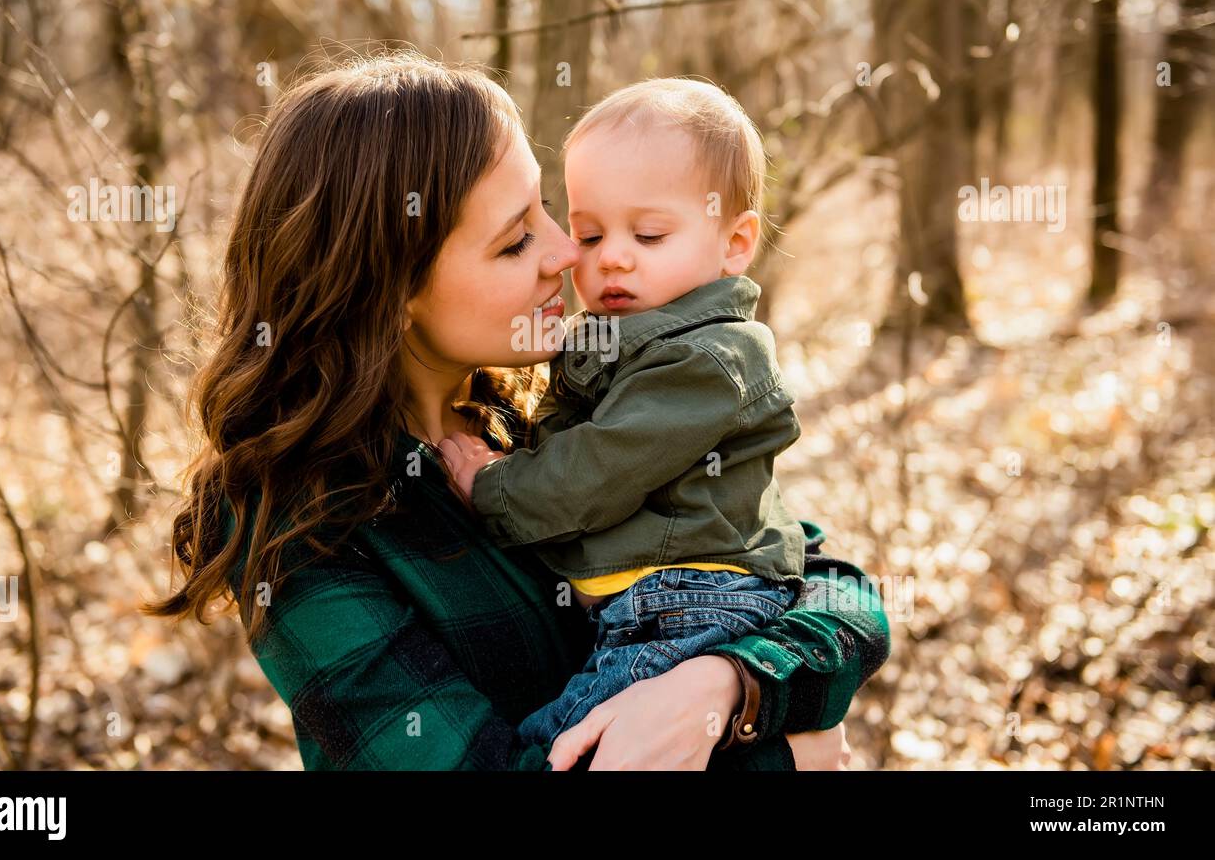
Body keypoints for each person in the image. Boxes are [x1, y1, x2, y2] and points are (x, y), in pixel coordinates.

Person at [145, 52, 890, 770]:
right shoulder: (304, 529)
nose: (569, 252)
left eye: (547, 208)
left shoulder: (534, 409)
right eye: (514, 240)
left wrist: (733, 685)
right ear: (391, 287)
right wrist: (783, 756)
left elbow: (841, 593)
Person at [439, 78, 813, 750]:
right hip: (654, 603)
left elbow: (599, 468)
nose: (610, 254)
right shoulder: (622, 343)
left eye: (648, 233)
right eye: (590, 231)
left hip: (692, 604)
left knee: (564, 744)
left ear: (735, 243)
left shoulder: (704, 359)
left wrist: (493, 488)